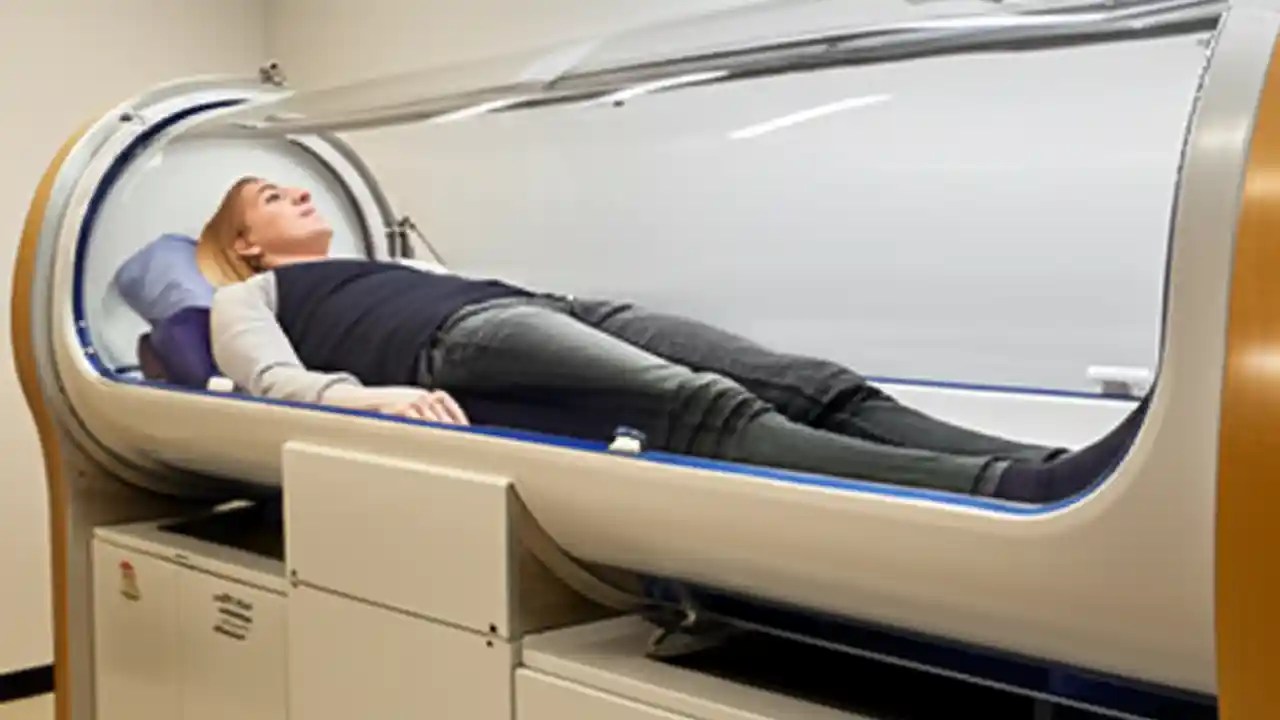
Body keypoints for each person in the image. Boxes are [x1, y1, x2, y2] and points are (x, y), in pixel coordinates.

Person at [199, 177, 1137, 503]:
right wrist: (372, 401)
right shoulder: (248, 297)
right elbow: (271, 382)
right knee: (705, 408)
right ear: (244, 242)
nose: (300, 199)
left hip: (544, 306)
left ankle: (1049, 459)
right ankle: (1014, 490)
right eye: (274, 199)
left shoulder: (386, 261)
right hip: (466, 341)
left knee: (805, 380)